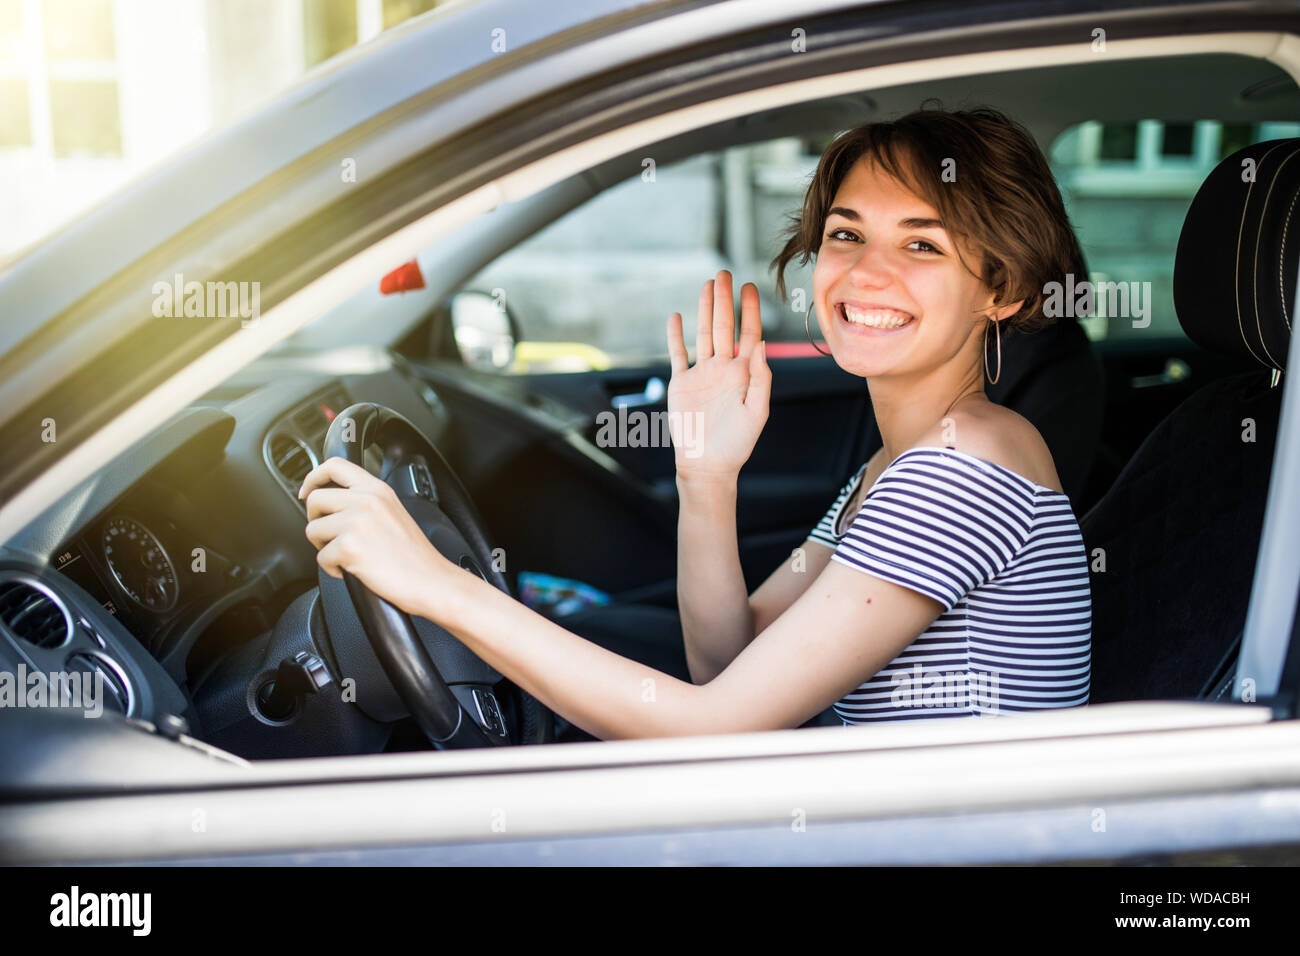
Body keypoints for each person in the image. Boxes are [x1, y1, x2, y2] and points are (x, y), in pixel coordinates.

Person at [298, 105, 1092, 740]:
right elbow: (723, 664)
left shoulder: (963, 471)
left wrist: (438, 587)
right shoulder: (899, 464)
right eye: (846, 234)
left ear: (1004, 290)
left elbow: (711, 725)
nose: (866, 272)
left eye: (922, 244)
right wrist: (706, 476)